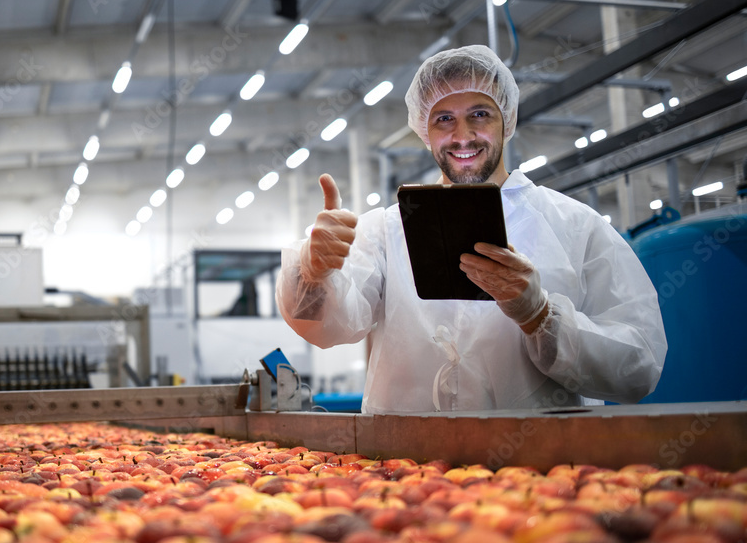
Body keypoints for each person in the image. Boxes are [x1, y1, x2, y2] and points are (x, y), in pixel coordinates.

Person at [276, 44, 667, 413]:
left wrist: (542, 317)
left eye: (480, 114)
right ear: (425, 133)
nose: (462, 136)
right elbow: (328, 327)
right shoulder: (384, 231)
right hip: (408, 468)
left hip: (542, 466)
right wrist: (313, 272)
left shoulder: (576, 227)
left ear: (506, 122)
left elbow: (638, 367)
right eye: (443, 119)